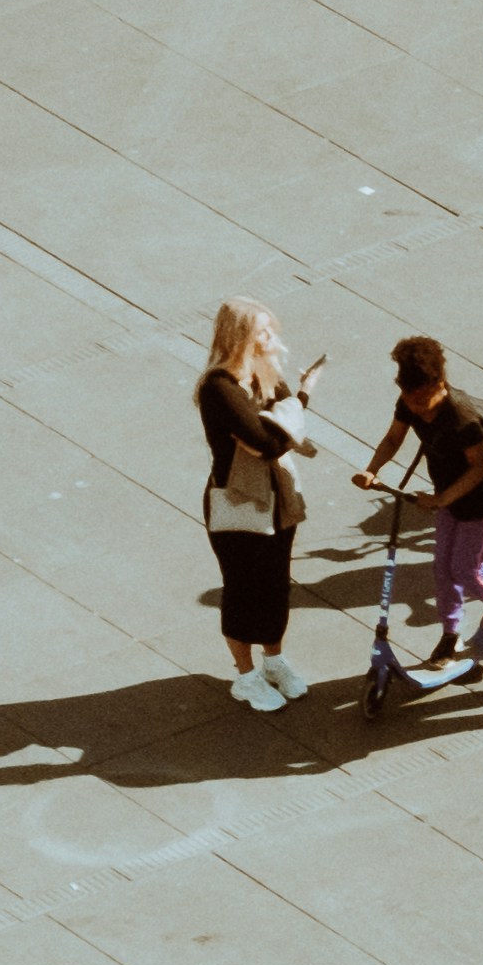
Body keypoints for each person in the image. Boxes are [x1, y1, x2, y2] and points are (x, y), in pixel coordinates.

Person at [344, 339, 483, 682]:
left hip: (481, 499)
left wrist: (442, 499)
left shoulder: (461, 416)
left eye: (423, 400)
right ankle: (449, 635)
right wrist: (372, 470)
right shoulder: (409, 402)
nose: (418, 409)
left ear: (440, 384)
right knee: (442, 569)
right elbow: (393, 439)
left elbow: (479, 468)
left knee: (467, 569)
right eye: (410, 400)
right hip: (448, 496)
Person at [194, 306, 314, 716]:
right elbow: (268, 443)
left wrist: (286, 414)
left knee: (277, 586)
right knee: (244, 590)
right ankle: (245, 677)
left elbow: (280, 435)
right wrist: (299, 402)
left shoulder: (266, 376)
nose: (271, 339)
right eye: (263, 332)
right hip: (238, 502)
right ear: (240, 336)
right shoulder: (220, 388)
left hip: (278, 498)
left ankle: (274, 660)